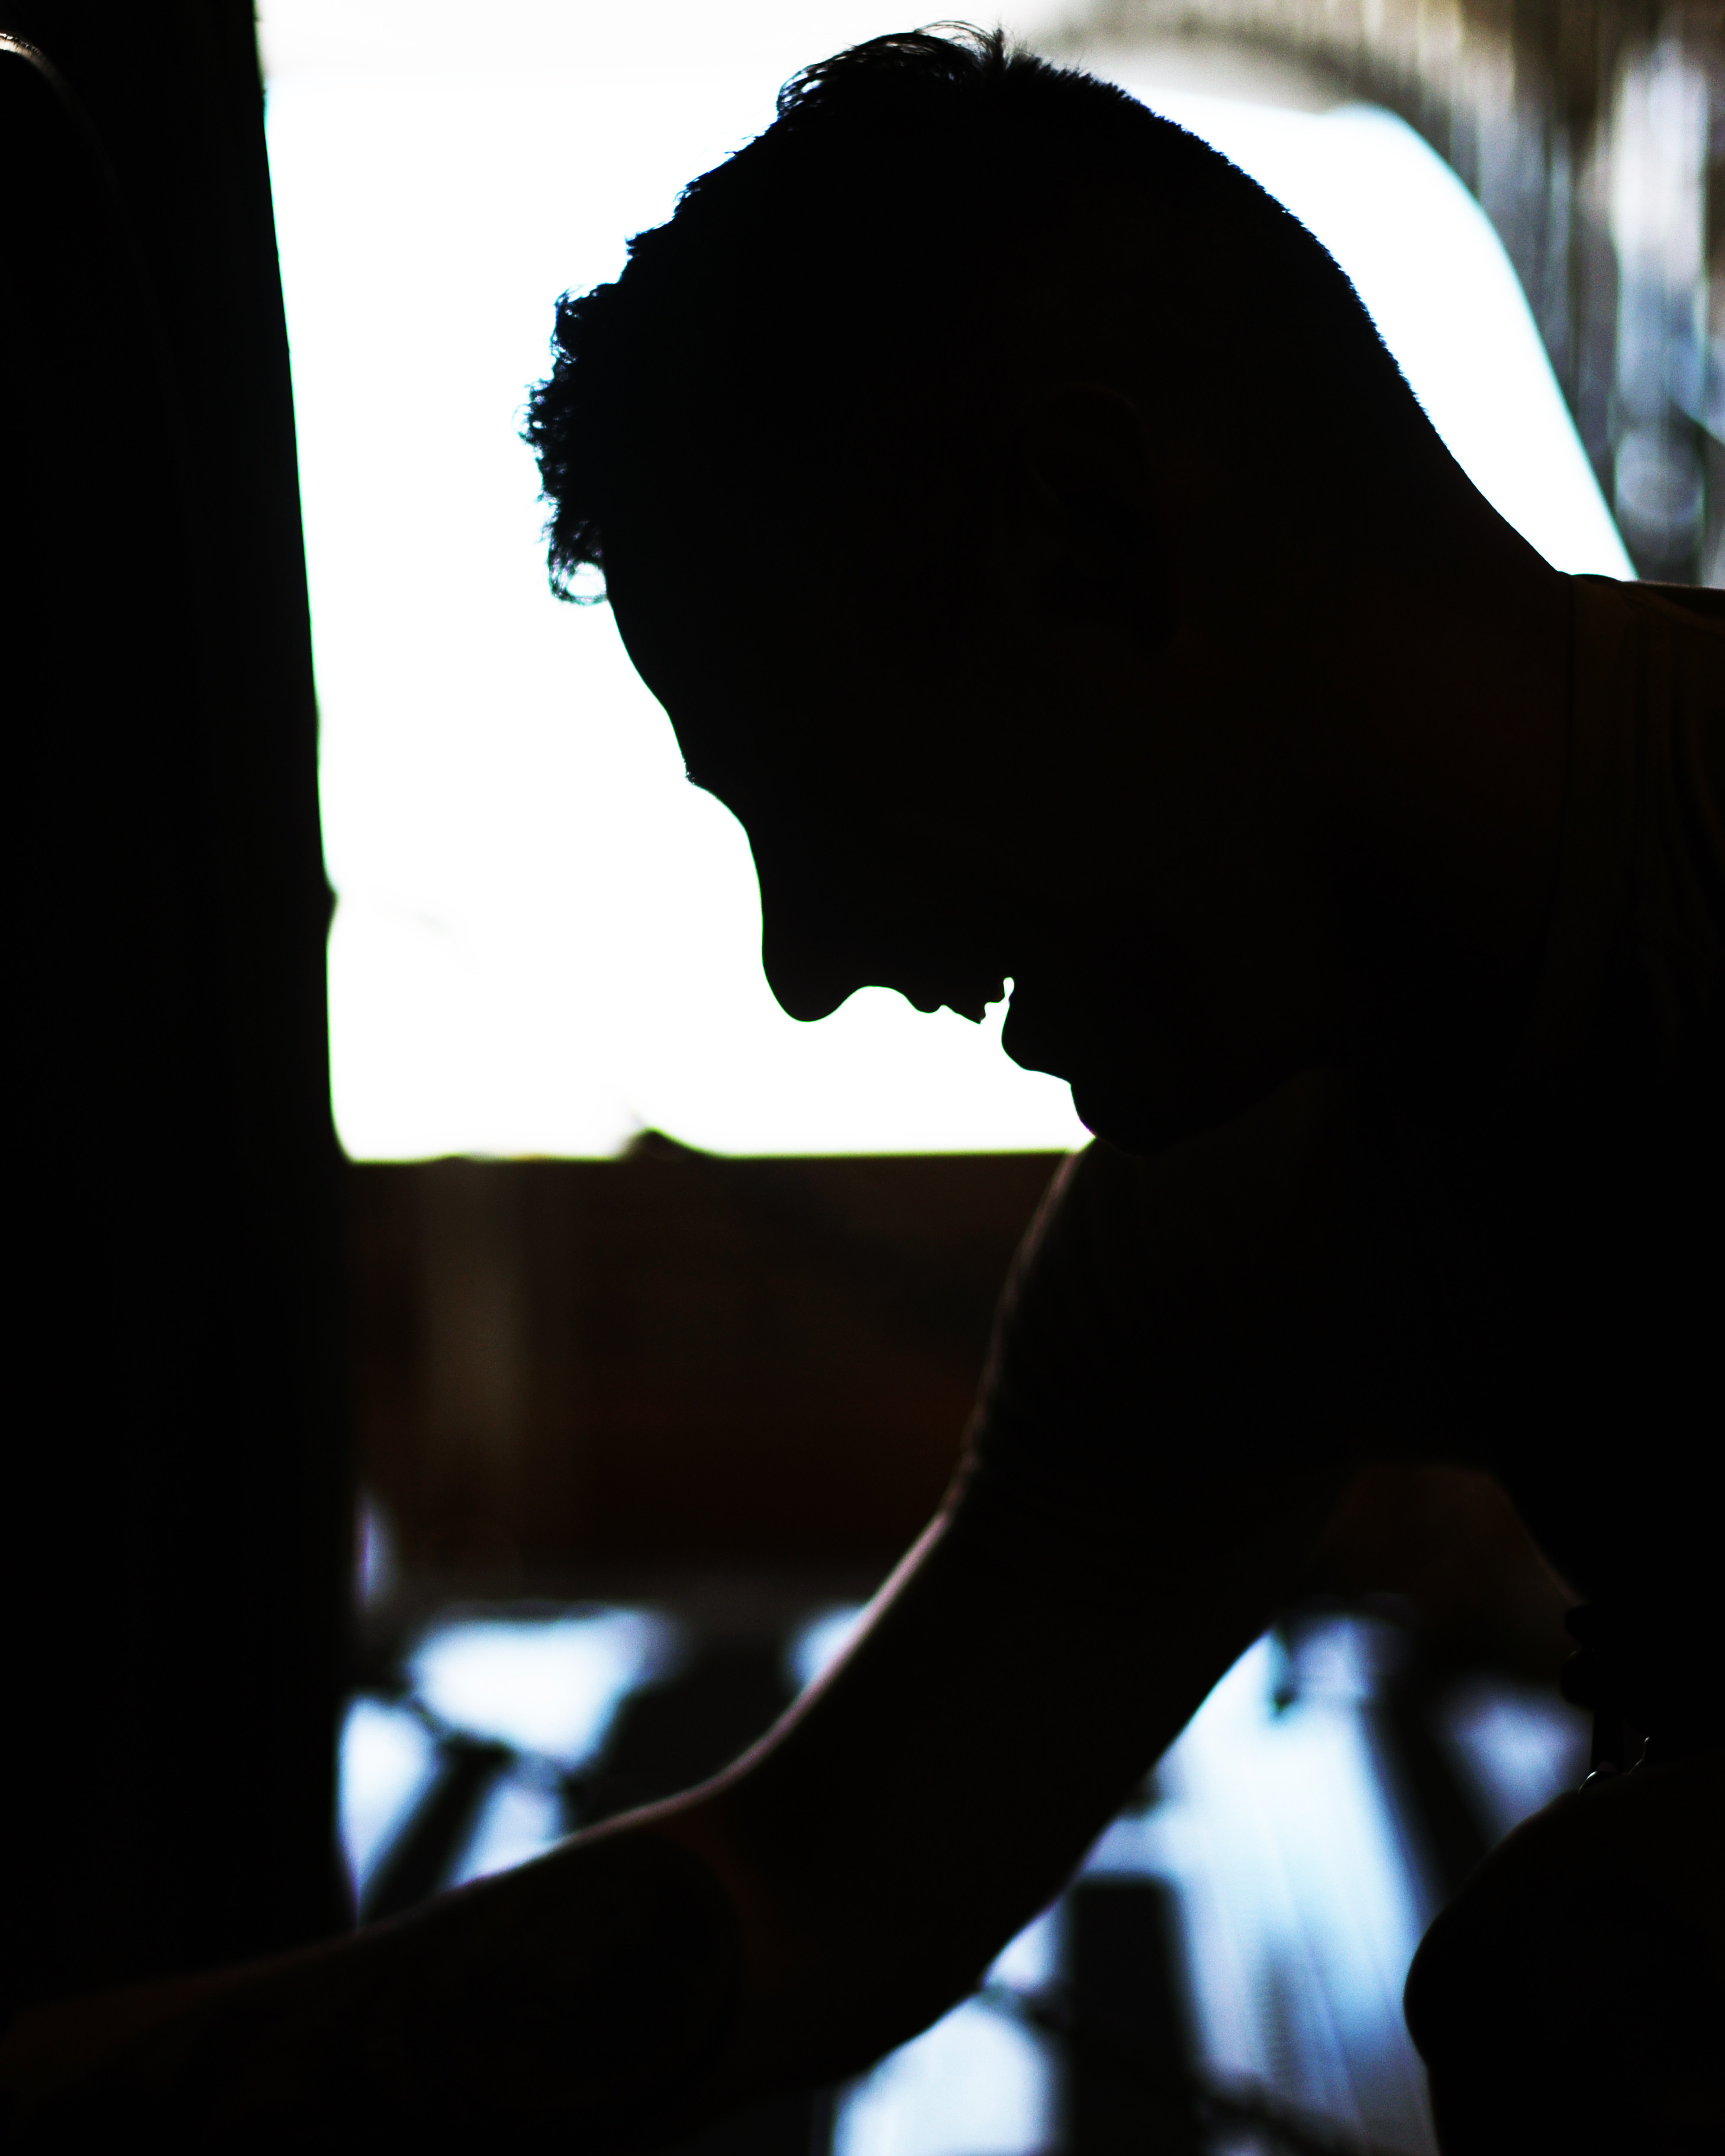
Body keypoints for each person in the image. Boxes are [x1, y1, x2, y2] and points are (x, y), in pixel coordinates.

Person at [3, 25, 1719, 2151]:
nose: (810, 963)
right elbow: (807, 1893)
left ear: (1094, 541)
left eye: (816, 789)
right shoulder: (1241, 1224)